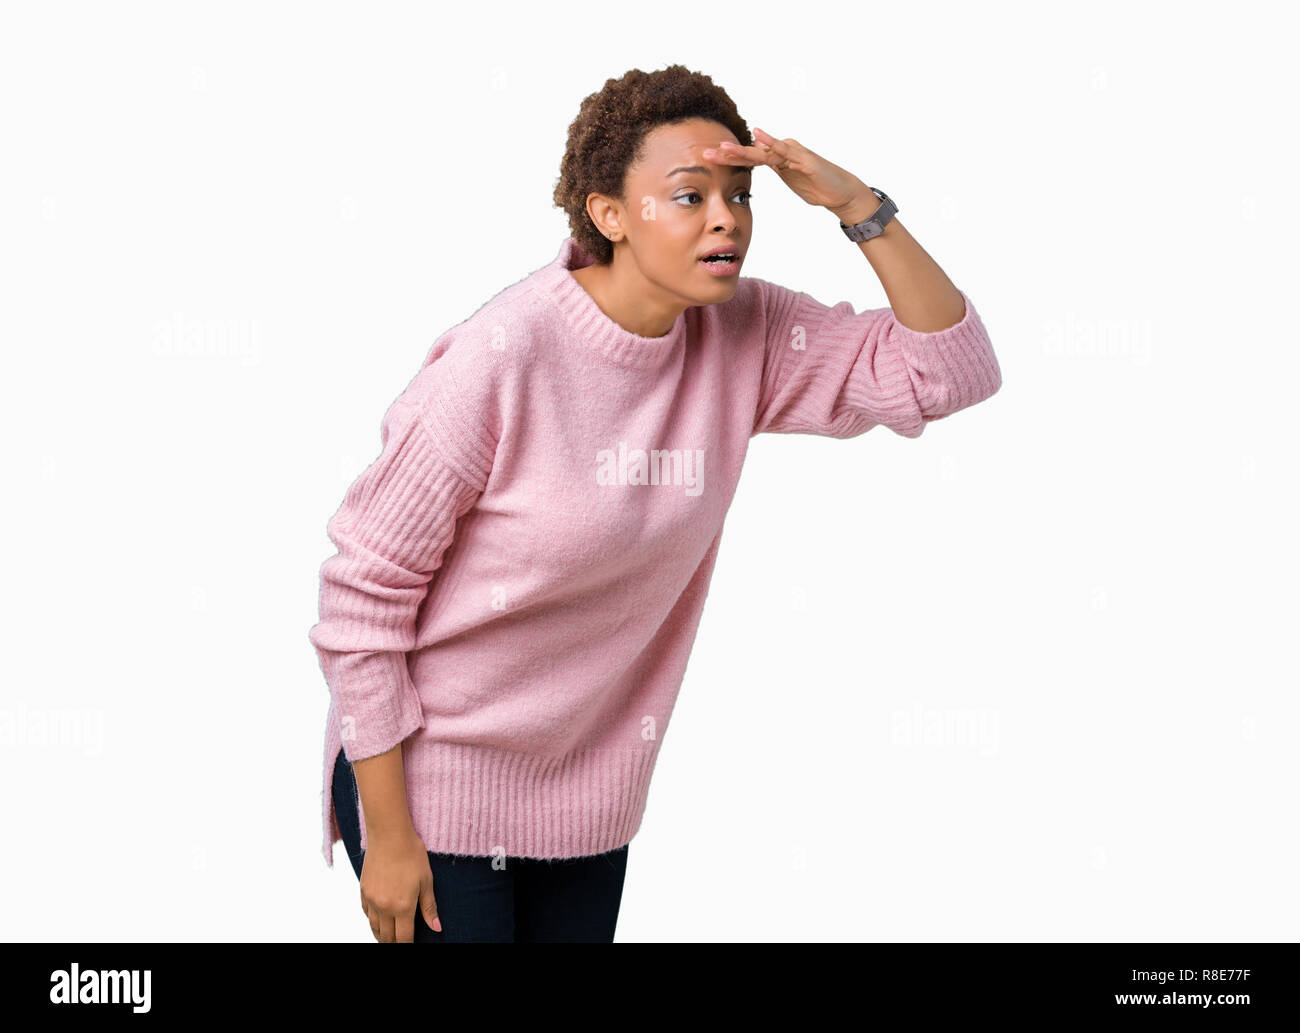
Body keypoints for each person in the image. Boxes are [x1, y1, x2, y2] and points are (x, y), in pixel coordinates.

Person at [309, 64, 1003, 943]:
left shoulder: (741, 335)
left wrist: (857, 205)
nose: (727, 219)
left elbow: (950, 370)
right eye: (689, 196)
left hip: (587, 799)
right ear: (609, 215)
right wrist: (390, 834)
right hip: (428, 785)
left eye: (740, 194)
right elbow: (360, 600)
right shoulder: (502, 358)